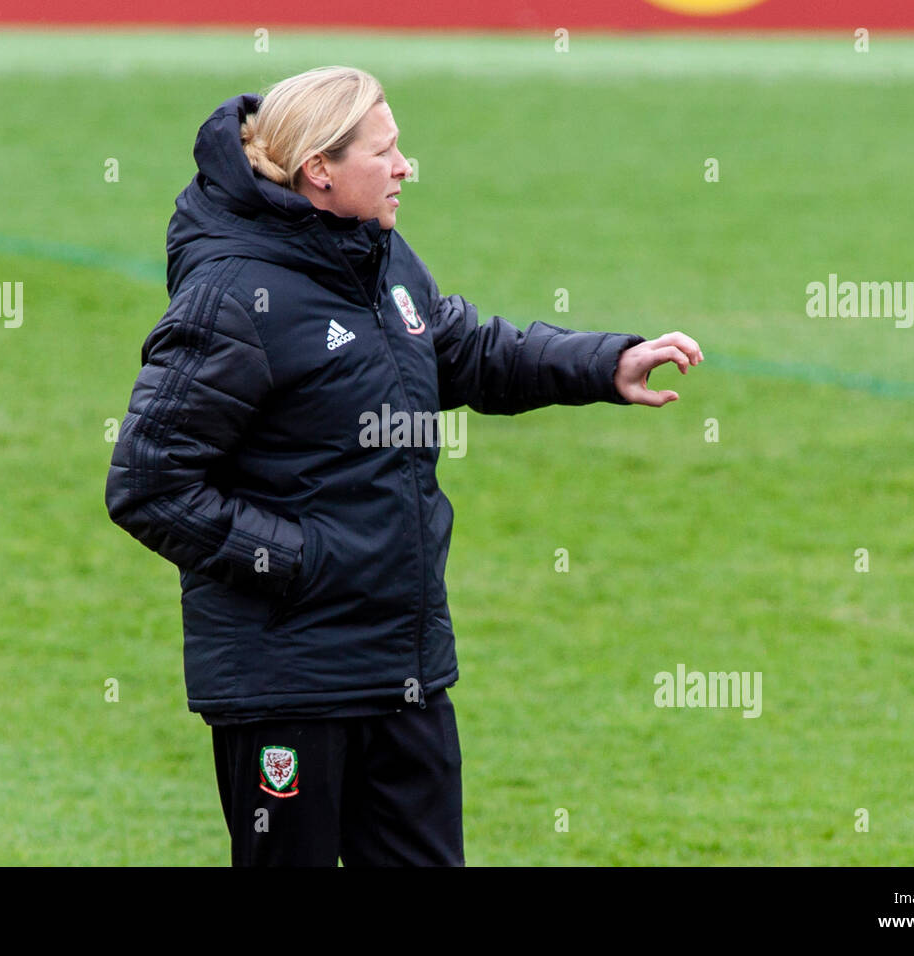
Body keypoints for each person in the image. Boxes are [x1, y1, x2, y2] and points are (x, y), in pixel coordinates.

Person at [104, 65, 703, 866]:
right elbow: (148, 482)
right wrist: (298, 560)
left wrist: (605, 364)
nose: (404, 166)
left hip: (404, 668)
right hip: (291, 683)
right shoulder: (233, 300)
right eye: (384, 152)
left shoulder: (375, 256)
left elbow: (460, 348)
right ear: (320, 169)